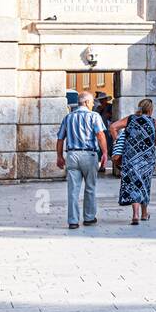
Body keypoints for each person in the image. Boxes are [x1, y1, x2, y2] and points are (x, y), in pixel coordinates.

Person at [56, 91, 108, 230]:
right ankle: (89, 217)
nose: (92, 105)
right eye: (91, 102)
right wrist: (105, 153)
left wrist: (59, 156)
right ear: (86, 102)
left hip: (72, 155)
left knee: (73, 190)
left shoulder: (68, 117)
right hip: (89, 155)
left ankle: (73, 221)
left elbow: (60, 138)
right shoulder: (94, 116)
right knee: (90, 187)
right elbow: (100, 134)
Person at [112, 98, 156, 226]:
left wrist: (118, 141)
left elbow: (113, 127)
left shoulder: (131, 119)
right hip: (147, 160)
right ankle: (144, 214)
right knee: (145, 184)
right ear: (150, 109)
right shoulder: (153, 122)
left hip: (130, 159)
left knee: (134, 184)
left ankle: (135, 215)